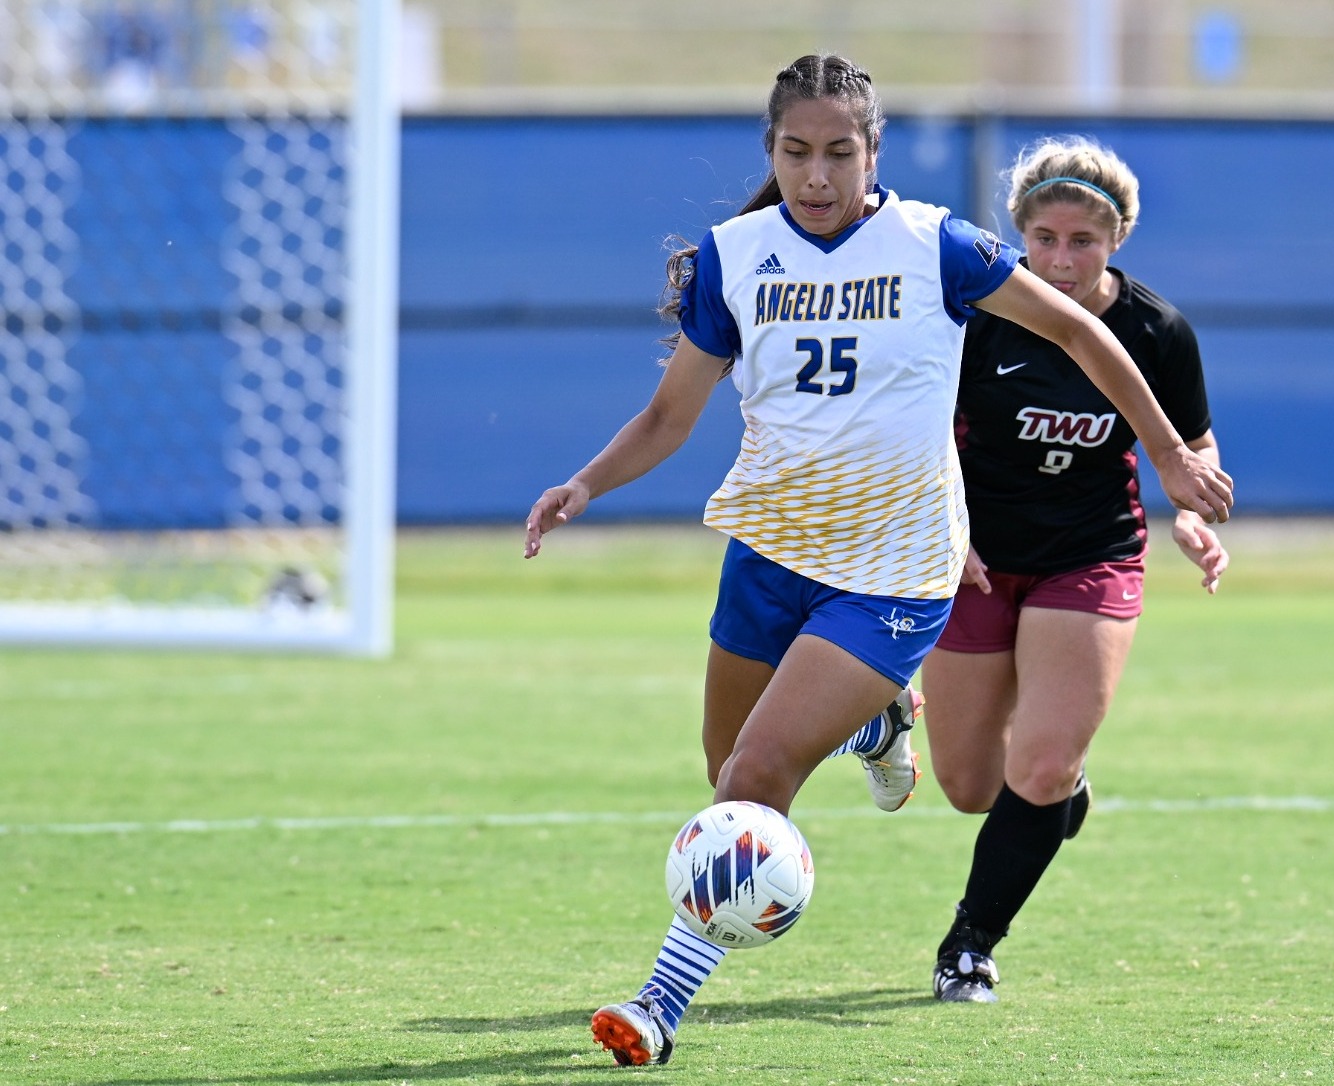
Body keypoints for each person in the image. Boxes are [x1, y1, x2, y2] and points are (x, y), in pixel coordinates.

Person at [522, 58, 1233, 1066]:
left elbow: (1082, 331)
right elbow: (669, 415)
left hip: (895, 568)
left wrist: (1167, 455)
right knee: (727, 777)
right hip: (770, 553)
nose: (816, 175)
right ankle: (877, 723)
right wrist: (586, 484)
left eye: (838, 153)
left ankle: (659, 1004)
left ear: (873, 154)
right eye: (795, 152)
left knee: (759, 773)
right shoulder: (734, 259)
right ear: (771, 152)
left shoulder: (935, 246)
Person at [922, 136, 1230, 1003]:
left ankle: (970, 945)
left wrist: (1194, 517)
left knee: (1043, 766)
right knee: (970, 786)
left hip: (1090, 554)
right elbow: (923, 435)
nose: (1060, 260)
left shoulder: (1157, 331)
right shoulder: (979, 317)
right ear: (1018, 234)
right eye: (1045, 239)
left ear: (1118, 239)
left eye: (1083, 242)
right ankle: (1060, 790)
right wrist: (946, 527)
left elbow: (1193, 448)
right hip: (977, 560)